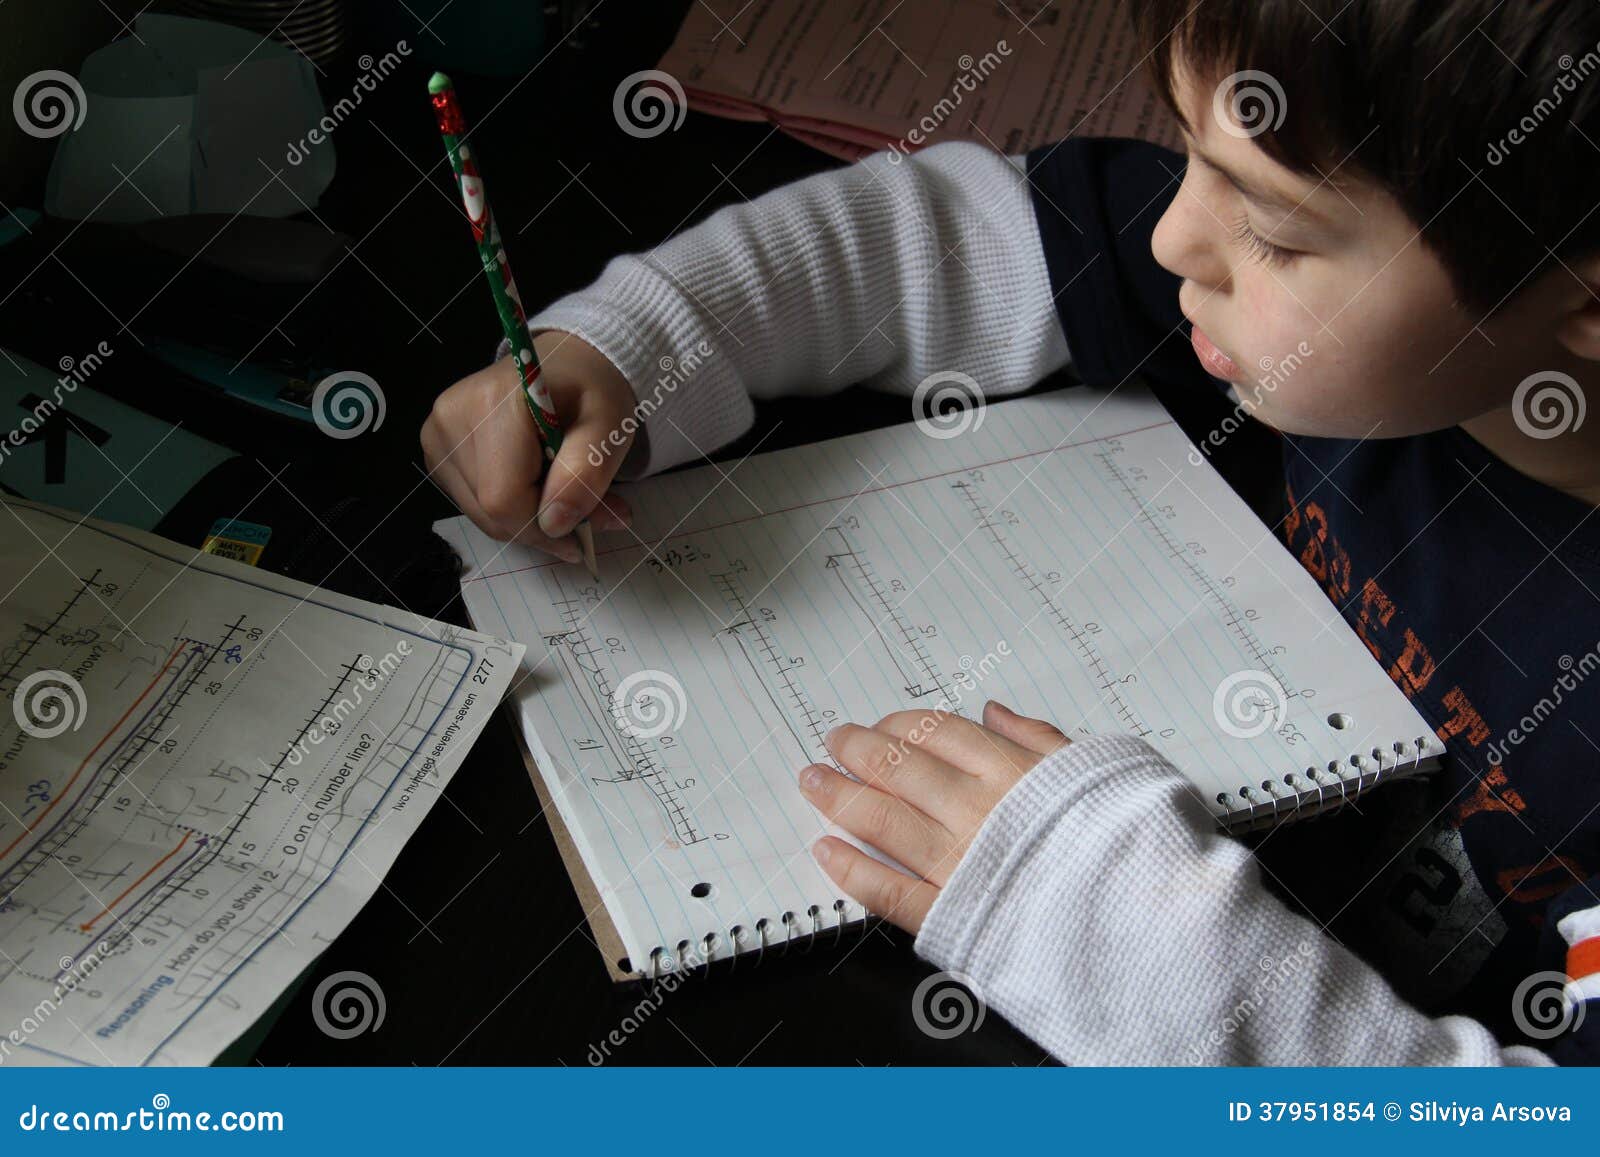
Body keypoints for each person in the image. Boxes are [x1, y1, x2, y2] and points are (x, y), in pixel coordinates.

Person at [422, 0, 1600, 1064]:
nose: (1172, 240)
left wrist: (1127, 942)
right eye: (1189, 154)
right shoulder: (1388, 335)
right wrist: (640, 347)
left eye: (1277, 235)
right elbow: (951, 237)